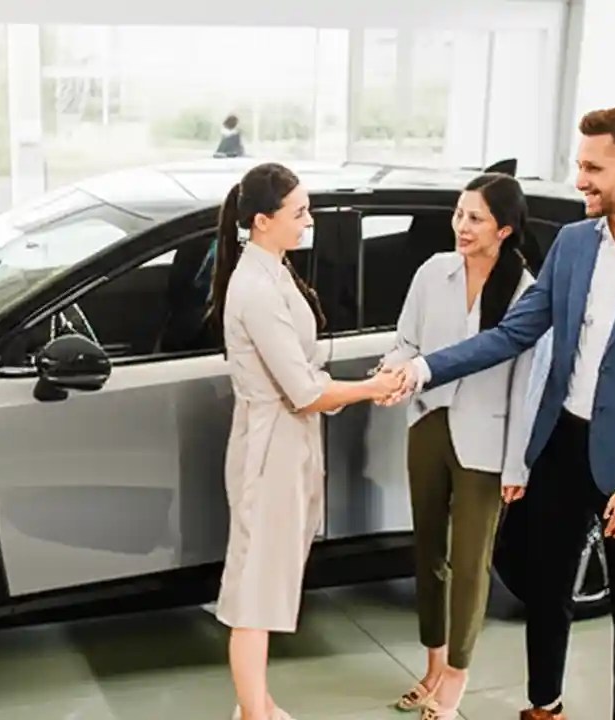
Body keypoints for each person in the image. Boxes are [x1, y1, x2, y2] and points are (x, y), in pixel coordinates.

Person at [378, 106, 615, 720]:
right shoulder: (573, 243)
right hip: (563, 445)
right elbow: (511, 333)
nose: (580, 179)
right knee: (546, 590)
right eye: (579, 164)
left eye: (593, 167)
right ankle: (545, 707)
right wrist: (423, 369)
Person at [210, 162, 402, 720]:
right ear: (262, 220)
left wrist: (357, 386)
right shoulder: (255, 287)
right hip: (270, 448)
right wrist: (372, 387)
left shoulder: (273, 270)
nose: (309, 221)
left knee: (268, 584)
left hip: (286, 441)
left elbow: (304, 373)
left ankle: (260, 705)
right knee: (255, 594)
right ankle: (254, 714)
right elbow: (301, 389)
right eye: (299, 213)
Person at [380, 173, 540, 720]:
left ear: (505, 229)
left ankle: (456, 676)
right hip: (429, 422)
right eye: (459, 214)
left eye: (475, 218)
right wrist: (392, 372)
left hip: (486, 441)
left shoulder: (524, 293)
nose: (462, 226)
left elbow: (524, 386)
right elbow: (406, 341)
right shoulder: (433, 272)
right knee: (428, 552)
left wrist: (517, 465)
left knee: (471, 563)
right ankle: (432, 663)